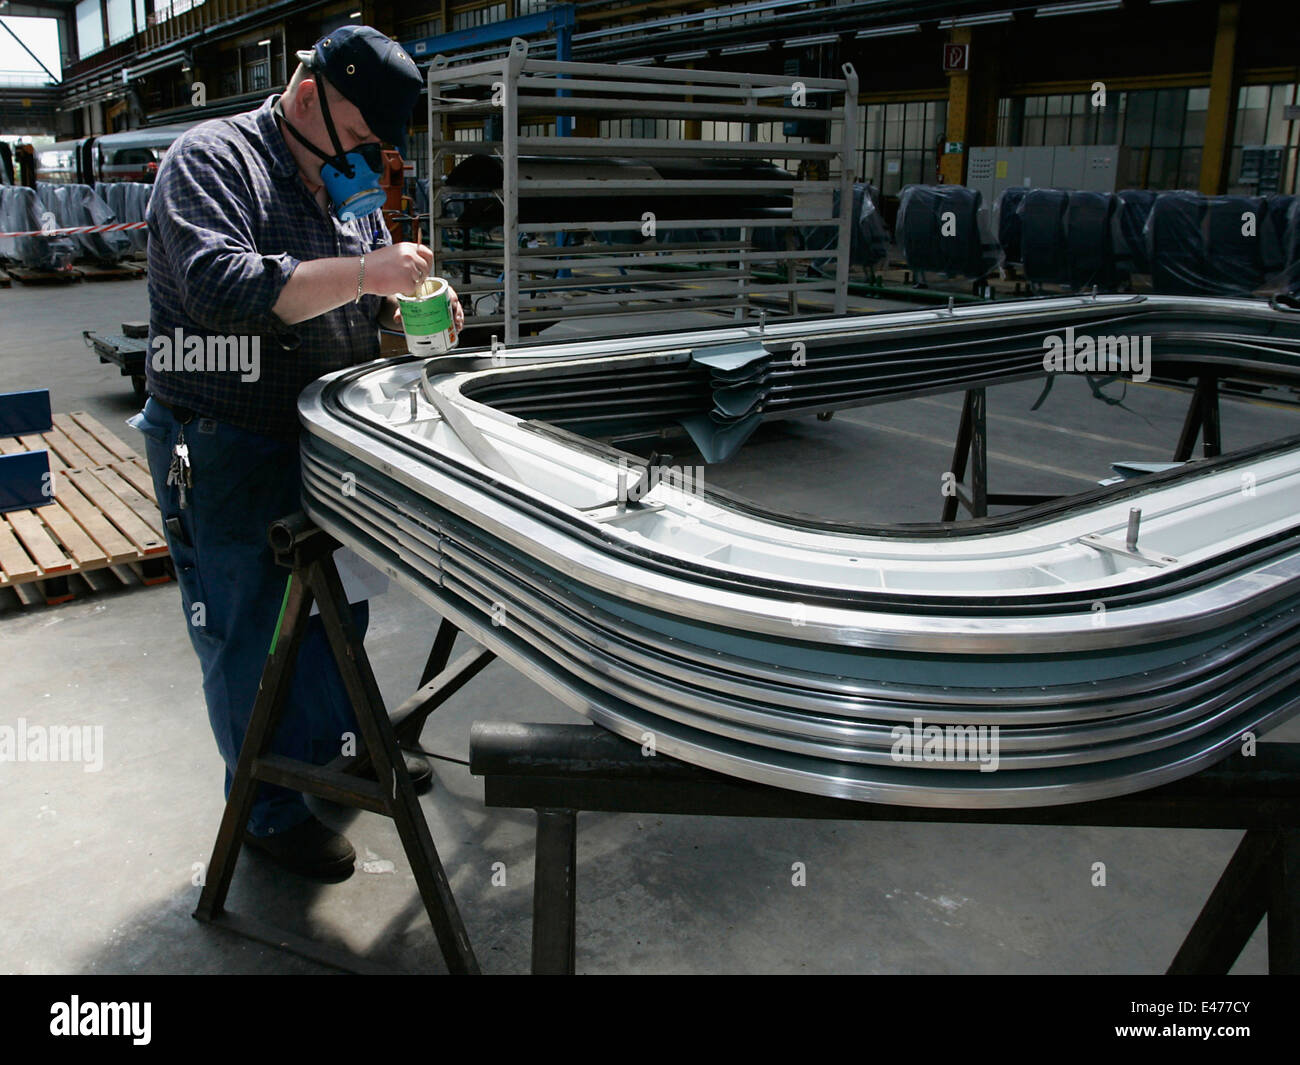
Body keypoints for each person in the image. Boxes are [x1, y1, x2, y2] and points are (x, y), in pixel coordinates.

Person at [131, 25, 463, 881]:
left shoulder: (347, 183)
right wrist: (367, 274)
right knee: (249, 629)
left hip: (319, 437)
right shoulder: (210, 162)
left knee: (329, 612)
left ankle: (337, 756)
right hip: (222, 442)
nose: (361, 161)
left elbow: (364, 302)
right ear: (309, 92)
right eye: (356, 139)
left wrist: (409, 308)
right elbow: (223, 290)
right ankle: (266, 807)